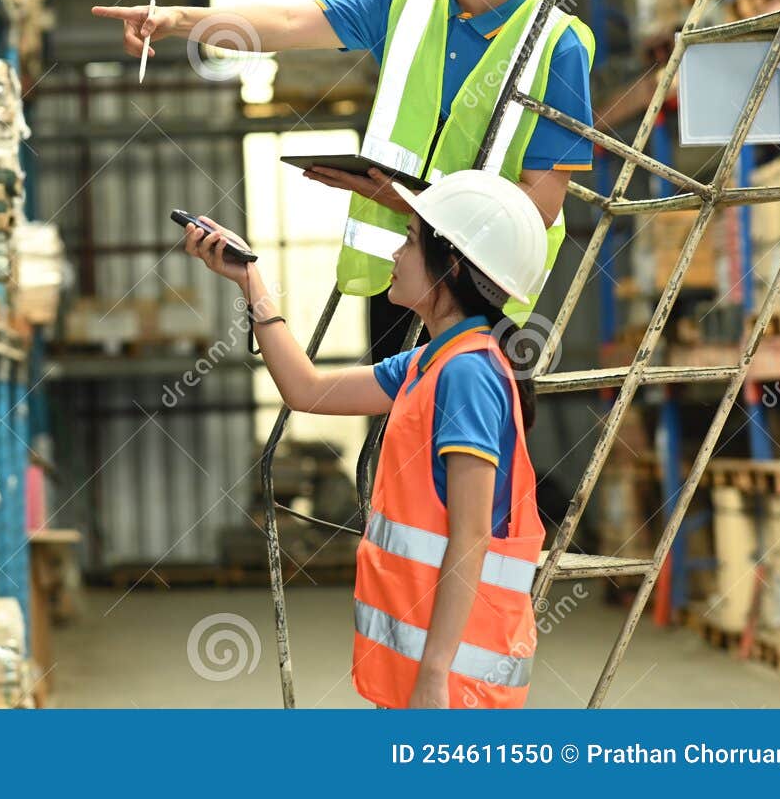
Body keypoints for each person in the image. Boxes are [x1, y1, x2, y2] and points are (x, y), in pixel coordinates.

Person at [95, 0, 595, 352]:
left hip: (482, 297)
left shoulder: (557, 47)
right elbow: (290, 23)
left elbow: (539, 209)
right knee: (393, 406)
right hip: (397, 279)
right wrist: (176, 20)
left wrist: (409, 202)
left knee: (459, 405)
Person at [181, 170, 548, 709]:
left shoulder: (467, 375)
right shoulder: (432, 363)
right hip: (423, 667)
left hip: (454, 683)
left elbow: (470, 537)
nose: (396, 254)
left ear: (451, 265)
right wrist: (250, 280)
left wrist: (434, 676)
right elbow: (307, 389)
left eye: (410, 241)